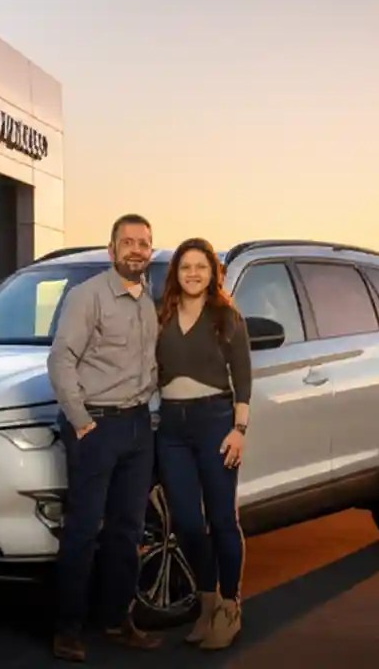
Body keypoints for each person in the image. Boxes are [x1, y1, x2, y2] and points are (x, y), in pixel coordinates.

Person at [47, 213, 163, 662]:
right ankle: (68, 629)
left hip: (137, 426)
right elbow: (61, 360)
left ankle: (117, 618)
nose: (136, 249)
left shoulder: (147, 300)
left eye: (143, 243)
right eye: (127, 242)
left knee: (127, 529)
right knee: (82, 528)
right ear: (112, 248)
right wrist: (80, 420)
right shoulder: (88, 296)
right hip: (94, 425)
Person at [153, 237, 252, 650]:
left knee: (222, 519)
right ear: (176, 273)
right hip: (172, 427)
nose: (193, 273)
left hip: (215, 422)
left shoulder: (225, 316)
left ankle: (229, 608)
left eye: (201, 267)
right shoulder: (162, 315)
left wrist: (239, 430)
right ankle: (206, 604)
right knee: (187, 523)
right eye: (185, 267)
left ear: (213, 274)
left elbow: (243, 376)